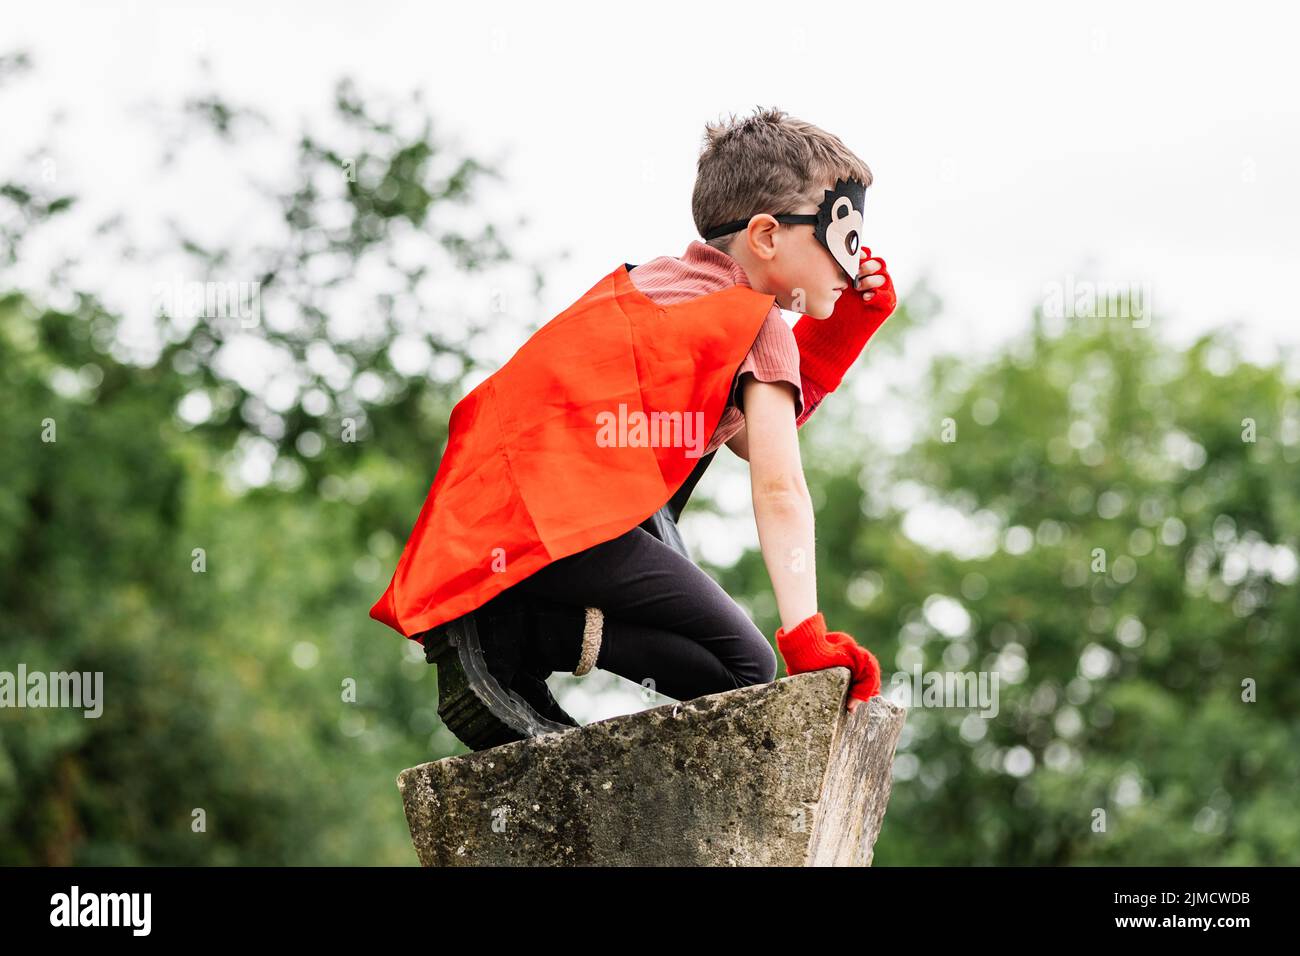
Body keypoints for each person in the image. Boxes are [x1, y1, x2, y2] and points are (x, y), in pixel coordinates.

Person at [370, 106, 897, 740]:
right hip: (574, 524)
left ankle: (522, 620)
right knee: (750, 669)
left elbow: (748, 439)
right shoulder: (757, 325)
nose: (853, 264)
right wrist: (806, 634)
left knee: (681, 553)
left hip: (503, 515)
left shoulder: (653, 283)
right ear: (764, 236)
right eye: (842, 241)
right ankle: (532, 634)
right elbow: (779, 483)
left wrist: (839, 332)